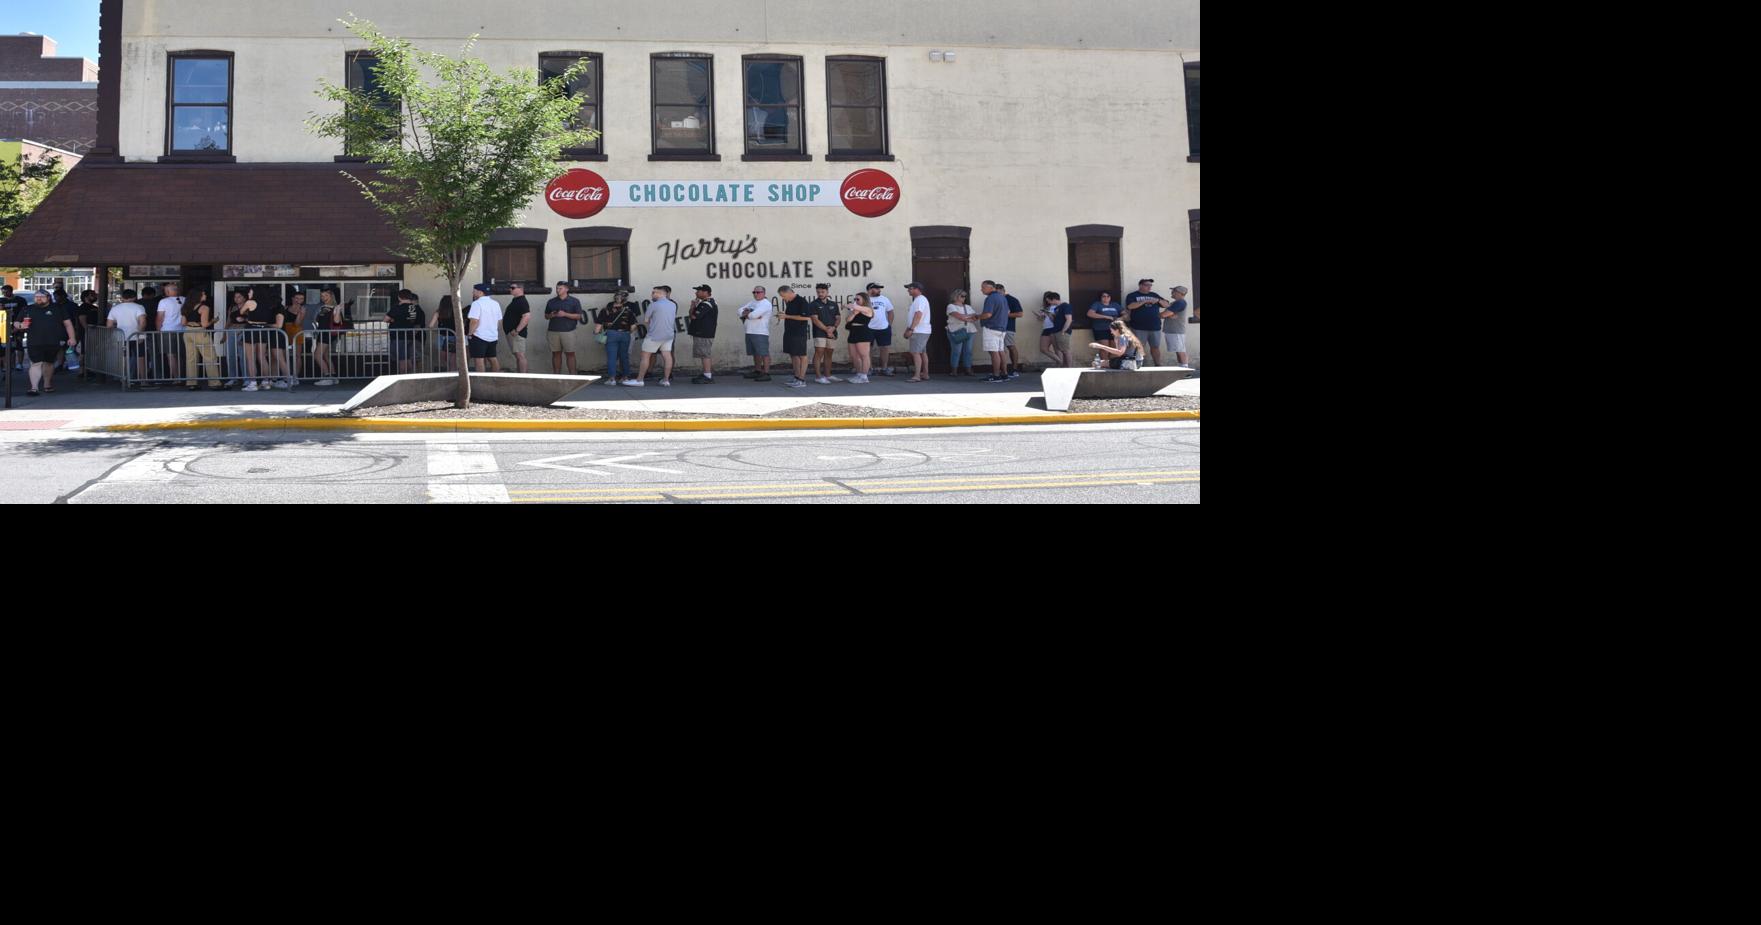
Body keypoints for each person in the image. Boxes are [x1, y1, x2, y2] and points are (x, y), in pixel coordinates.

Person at [21, 290, 75, 397]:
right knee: (36, 363)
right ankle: (34, 388)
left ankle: (47, 384)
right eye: (36, 296)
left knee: (49, 363)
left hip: (53, 341)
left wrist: (72, 338)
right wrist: (20, 326)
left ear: (48, 297)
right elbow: (17, 322)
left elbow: (68, 324)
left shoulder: (58, 308)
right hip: (34, 341)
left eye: (42, 296)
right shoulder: (28, 308)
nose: (38, 298)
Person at [629, 285, 677, 387]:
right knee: (667, 356)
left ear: (660, 294)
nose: (652, 294)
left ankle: (639, 380)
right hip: (668, 335)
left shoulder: (653, 305)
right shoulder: (673, 305)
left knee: (645, 356)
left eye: (654, 292)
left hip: (654, 335)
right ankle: (666, 380)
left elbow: (646, 320)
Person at [107, 289, 151, 389]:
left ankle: (124, 379)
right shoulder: (139, 307)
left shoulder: (115, 308)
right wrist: (139, 334)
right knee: (141, 358)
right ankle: (143, 381)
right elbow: (143, 322)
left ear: (122, 297)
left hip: (121, 337)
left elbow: (109, 325)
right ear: (135, 297)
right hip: (136, 336)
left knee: (124, 358)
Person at [180, 289, 223, 390]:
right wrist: (213, 321)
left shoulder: (186, 306)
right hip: (199, 332)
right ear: (198, 296)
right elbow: (204, 324)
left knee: (191, 358)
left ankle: (191, 383)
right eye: (203, 294)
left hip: (188, 332)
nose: (205, 295)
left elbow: (183, 323)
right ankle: (214, 383)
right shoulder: (204, 308)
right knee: (210, 357)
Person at [593, 290, 638, 385]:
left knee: (612, 357)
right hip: (625, 335)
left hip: (611, 334)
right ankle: (625, 377)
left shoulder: (605, 309)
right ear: (625, 299)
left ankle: (612, 379)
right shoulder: (628, 311)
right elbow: (633, 327)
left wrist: (597, 334)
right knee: (624, 356)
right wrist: (626, 332)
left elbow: (598, 325)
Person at [544, 282, 586, 375]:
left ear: (567, 289)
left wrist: (565, 314)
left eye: (560, 288)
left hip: (569, 331)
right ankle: (557, 376)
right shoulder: (551, 301)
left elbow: (578, 316)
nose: (558, 290)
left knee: (570, 354)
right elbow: (546, 316)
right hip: (553, 331)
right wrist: (552, 315)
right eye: (557, 288)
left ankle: (573, 376)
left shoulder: (574, 301)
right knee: (556, 354)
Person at [1125, 278, 1169, 367]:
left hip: (1155, 326)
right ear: (1140, 285)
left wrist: (1158, 300)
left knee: (1155, 347)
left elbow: (1166, 305)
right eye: (1147, 285)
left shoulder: (1154, 295)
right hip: (1138, 326)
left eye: (1150, 285)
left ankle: (1158, 365)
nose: (1149, 287)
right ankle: (1137, 365)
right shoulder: (1132, 295)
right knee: (1138, 346)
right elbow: (1130, 306)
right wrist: (1145, 301)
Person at [384, 288, 426, 375]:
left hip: (399, 337)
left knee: (402, 359)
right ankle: (410, 377)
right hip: (412, 337)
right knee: (409, 358)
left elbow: (386, 319)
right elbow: (418, 324)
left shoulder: (397, 308)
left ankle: (403, 377)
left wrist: (392, 320)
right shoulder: (416, 308)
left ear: (399, 297)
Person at [779, 285, 813, 388]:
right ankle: (797, 377)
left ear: (789, 292)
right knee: (793, 354)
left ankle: (802, 380)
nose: (783, 298)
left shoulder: (801, 301)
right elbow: (793, 315)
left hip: (799, 333)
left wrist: (787, 316)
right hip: (790, 332)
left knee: (802, 355)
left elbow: (806, 317)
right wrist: (784, 315)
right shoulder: (790, 302)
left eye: (783, 295)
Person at [808, 283, 842, 384]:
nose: (820, 294)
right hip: (819, 332)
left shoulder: (834, 304)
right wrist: (827, 330)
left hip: (832, 332)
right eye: (818, 292)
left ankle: (828, 375)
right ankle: (818, 377)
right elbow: (815, 320)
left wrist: (833, 328)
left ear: (827, 292)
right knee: (819, 353)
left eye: (822, 292)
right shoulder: (813, 304)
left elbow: (838, 318)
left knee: (829, 354)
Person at [466, 282, 503, 373]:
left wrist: (470, 333)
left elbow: (474, 321)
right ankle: (497, 380)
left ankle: (481, 381)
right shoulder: (495, 303)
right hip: (493, 336)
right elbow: (499, 321)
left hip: (479, 336)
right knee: (492, 358)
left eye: (474, 291)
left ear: (480, 292)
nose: (473, 293)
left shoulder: (476, 304)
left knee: (479, 360)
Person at [979, 280, 1011, 383]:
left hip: (991, 328)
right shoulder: (1002, 297)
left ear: (991, 287)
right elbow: (1008, 312)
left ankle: (996, 375)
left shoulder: (990, 298)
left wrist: (977, 317)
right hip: (1002, 328)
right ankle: (1004, 374)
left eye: (983, 287)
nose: (981, 289)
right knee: (1000, 351)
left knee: (994, 353)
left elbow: (988, 314)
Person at [156, 282, 188, 388]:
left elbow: (160, 317)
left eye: (165, 291)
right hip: (183, 330)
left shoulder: (163, 301)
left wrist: (158, 330)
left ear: (168, 291)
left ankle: (176, 378)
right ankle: (184, 377)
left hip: (167, 331)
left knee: (171, 355)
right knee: (182, 355)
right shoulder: (185, 299)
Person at [740, 286, 774, 382]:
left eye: (758, 292)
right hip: (749, 331)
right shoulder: (752, 302)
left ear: (764, 293)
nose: (756, 294)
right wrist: (749, 314)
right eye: (754, 292)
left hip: (760, 332)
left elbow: (753, 315)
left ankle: (766, 373)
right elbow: (739, 311)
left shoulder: (766, 304)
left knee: (764, 353)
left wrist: (748, 313)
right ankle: (758, 370)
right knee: (755, 353)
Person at [687, 284, 719, 384]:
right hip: (702, 333)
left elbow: (693, 317)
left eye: (698, 291)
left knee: (705, 354)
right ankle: (705, 373)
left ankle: (708, 376)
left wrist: (692, 306)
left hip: (704, 334)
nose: (696, 293)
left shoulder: (707, 304)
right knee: (703, 354)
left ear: (705, 292)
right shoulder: (704, 303)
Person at [311, 289, 344, 386]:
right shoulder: (322, 307)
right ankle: (333, 376)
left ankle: (327, 376)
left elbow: (337, 322)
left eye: (326, 295)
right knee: (325, 355)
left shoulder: (334, 308)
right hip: (322, 333)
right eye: (322, 296)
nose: (323, 298)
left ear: (331, 296)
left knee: (317, 355)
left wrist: (337, 311)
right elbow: (317, 320)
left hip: (326, 334)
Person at [901, 282, 933, 382]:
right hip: (921, 330)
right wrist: (909, 328)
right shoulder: (918, 300)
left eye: (910, 288)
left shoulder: (920, 300)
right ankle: (925, 374)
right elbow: (914, 316)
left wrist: (911, 329)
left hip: (919, 330)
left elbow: (918, 315)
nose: (908, 290)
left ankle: (917, 376)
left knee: (915, 352)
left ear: (917, 289)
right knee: (922, 352)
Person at [945, 289, 978, 377]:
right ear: (956, 296)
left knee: (968, 351)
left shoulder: (967, 306)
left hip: (970, 330)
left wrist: (966, 317)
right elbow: (959, 316)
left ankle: (968, 369)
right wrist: (969, 317)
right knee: (956, 351)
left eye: (965, 296)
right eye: (962, 296)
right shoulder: (951, 306)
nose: (964, 298)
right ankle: (954, 370)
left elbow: (975, 317)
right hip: (956, 331)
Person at [843, 293, 875, 384]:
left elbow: (854, 306)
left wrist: (849, 306)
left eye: (858, 299)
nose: (856, 301)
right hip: (853, 331)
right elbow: (848, 320)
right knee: (854, 355)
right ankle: (859, 374)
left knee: (864, 355)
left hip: (863, 332)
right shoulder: (856, 309)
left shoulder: (867, 309)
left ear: (864, 300)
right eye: (855, 299)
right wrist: (853, 313)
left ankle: (864, 376)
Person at [866, 283, 896, 376]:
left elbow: (890, 312)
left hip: (883, 328)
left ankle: (884, 368)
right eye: (877, 288)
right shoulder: (864, 298)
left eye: (880, 289)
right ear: (870, 289)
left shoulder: (884, 299)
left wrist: (889, 325)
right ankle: (869, 368)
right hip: (868, 328)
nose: (879, 290)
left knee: (884, 348)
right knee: (867, 349)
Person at [503, 282, 532, 373]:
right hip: (513, 333)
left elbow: (526, 316)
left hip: (517, 334)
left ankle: (523, 378)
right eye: (510, 287)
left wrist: (517, 330)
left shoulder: (522, 301)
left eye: (513, 288)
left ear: (520, 289)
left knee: (520, 355)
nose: (510, 289)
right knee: (518, 356)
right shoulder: (516, 300)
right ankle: (519, 376)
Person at [1039, 292, 1073, 369]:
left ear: (1054, 299)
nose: (1048, 302)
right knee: (1060, 349)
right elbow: (1055, 320)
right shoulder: (1056, 308)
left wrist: (1063, 331)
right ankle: (1063, 366)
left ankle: (1070, 368)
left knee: (1065, 350)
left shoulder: (1065, 306)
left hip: (1062, 331)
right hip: (1056, 330)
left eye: (1049, 301)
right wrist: (1049, 315)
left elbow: (1069, 319)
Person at [997, 283, 1024, 377]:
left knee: (1011, 347)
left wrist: (1004, 315)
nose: (997, 295)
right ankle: (1002, 370)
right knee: (999, 349)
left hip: (1008, 327)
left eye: (998, 293)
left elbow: (1020, 314)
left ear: (1003, 291)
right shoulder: (995, 299)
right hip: (996, 328)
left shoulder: (1012, 300)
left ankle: (1014, 369)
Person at [77, 290, 104, 382]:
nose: (94, 296)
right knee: (84, 351)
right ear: (86, 297)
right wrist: (87, 330)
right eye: (92, 295)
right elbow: (82, 319)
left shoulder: (94, 307)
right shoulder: (83, 307)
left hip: (94, 332)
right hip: (86, 333)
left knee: (90, 351)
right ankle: (82, 371)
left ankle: (88, 369)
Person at [1163, 286, 1192, 367]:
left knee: (1181, 350)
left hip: (1176, 330)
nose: (1172, 292)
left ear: (1180, 293)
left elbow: (1165, 314)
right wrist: (1169, 314)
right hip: (1173, 330)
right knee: (1178, 350)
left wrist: (1163, 314)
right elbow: (1169, 314)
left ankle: (1186, 371)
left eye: (1174, 291)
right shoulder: (1175, 303)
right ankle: (1181, 369)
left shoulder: (1180, 302)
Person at [431, 295, 461, 372]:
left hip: (442, 337)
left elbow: (430, 326)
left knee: (444, 358)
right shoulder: (457, 312)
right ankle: (453, 373)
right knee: (453, 358)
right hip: (453, 336)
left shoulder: (438, 312)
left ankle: (447, 373)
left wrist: (439, 331)